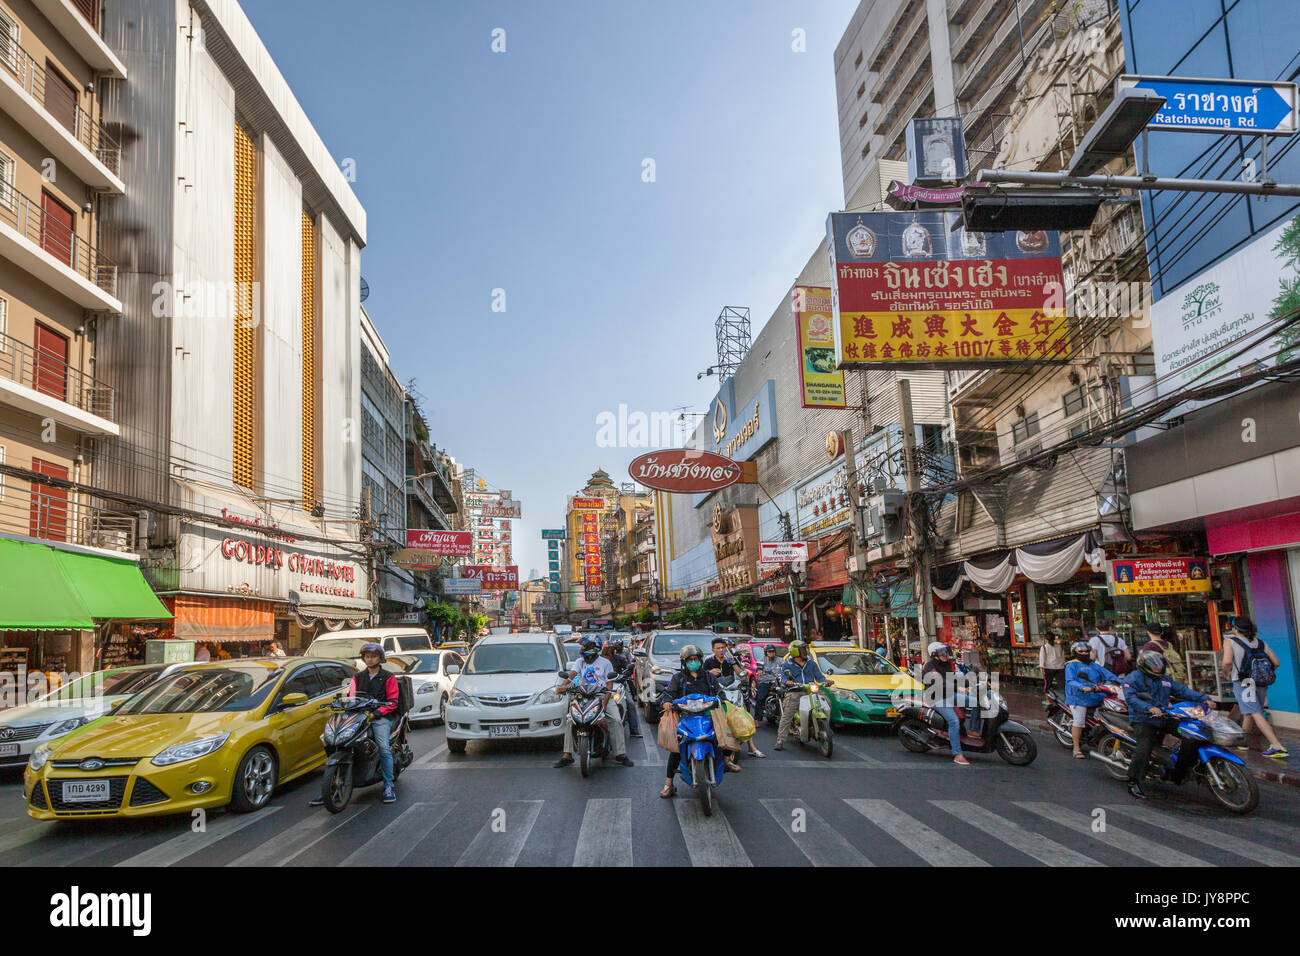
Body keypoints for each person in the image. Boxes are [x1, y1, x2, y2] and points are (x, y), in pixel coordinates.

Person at [311, 641, 399, 806]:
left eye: (373, 656)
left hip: (380, 717)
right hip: (358, 716)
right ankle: (328, 789)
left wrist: (376, 713)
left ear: (380, 658)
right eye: (367, 656)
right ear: (364, 658)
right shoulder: (357, 677)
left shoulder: (389, 677)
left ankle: (388, 786)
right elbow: (352, 697)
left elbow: (393, 701)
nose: (370, 659)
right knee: (332, 741)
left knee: (383, 747)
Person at [1123, 648, 1213, 799]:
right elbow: (1131, 699)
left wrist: (1203, 698)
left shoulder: (1165, 679)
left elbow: (1182, 691)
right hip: (1144, 719)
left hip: (1165, 715)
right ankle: (1134, 781)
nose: (1158, 668)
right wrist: (1149, 708)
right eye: (1154, 666)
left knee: (1192, 735)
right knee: (1144, 747)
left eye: (1159, 665)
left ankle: (1179, 773)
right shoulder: (1132, 679)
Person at [554, 638, 634, 769]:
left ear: (594, 653)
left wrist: (605, 703)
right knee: (570, 721)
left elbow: (609, 685)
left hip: (601, 696)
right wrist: (562, 687)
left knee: (615, 720)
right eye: (583, 655)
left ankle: (620, 754)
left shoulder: (605, 663)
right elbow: (571, 675)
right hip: (582, 696)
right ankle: (567, 755)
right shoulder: (580, 662)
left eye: (586, 655)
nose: (584, 657)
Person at [659, 645, 722, 799]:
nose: (693, 662)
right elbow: (668, 693)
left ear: (700, 660)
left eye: (696, 659)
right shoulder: (678, 678)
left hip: (708, 716)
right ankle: (668, 784)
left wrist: (722, 700)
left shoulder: (709, 677)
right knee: (676, 749)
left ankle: (727, 760)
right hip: (685, 718)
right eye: (690, 660)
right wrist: (667, 702)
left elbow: (720, 692)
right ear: (684, 662)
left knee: (724, 737)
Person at [1220, 615, 1288, 758]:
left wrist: (1225, 673)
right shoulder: (1261, 643)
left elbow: (1227, 662)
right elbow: (1276, 662)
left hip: (1244, 682)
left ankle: (1277, 746)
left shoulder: (1230, 642)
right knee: (1249, 712)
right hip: (1261, 682)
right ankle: (1243, 741)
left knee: (1255, 712)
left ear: (1235, 629)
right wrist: (1262, 674)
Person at [921, 641, 980, 766]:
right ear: (934, 654)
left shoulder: (947, 665)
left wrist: (974, 681)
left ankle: (974, 730)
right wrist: (959, 688)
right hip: (937, 698)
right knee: (953, 721)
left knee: (977, 703)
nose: (945, 654)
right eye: (941, 652)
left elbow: (954, 680)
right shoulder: (930, 667)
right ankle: (957, 754)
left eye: (946, 651)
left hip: (949, 695)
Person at [1063, 639, 1118, 759]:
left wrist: (1123, 683)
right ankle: (1076, 748)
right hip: (1078, 698)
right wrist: (1083, 687)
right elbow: (1070, 681)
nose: (1084, 653)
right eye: (1081, 651)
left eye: (1086, 651)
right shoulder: (1071, 665)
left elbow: (1109, 675)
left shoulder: (1094, 665)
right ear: (1075, 652)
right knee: (1079, 721)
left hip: (1096, 696)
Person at [774, 640, 832, 752]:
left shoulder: (811, 663)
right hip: (795, 691)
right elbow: (784, 679)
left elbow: (819, 677)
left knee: (827, 702)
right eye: (803, 650)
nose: (806, 652)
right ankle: (780, 740)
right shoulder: (787, 664)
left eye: (805, 649)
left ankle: (826, 727)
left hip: (811, 690)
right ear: (796, 652)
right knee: (787, 714)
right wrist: (788, 682)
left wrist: (826, 681)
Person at [607, 637, 642, 739]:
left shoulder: (619, 658)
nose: (608, 657)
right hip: (604, 687)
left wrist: (625, 674)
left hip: (619, 684)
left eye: (610, 654)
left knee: (630, 704)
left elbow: (629, 667)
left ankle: (634, 730)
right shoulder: (600, 662)